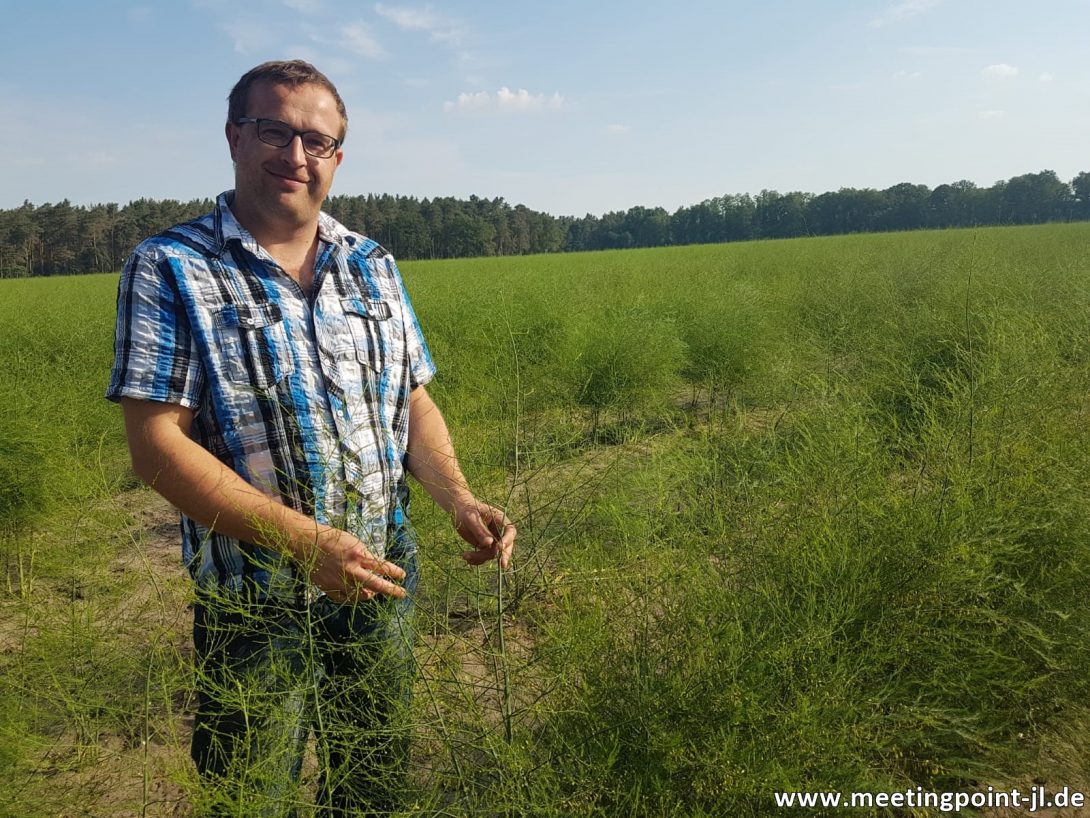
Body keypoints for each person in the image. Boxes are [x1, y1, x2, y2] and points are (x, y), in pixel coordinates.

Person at [106, 59, 516, 816]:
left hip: (379, 577)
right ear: (234, 136)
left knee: (376, 782)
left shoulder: (372, 264)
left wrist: (457, 498)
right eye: (275, 131)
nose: (296, 156)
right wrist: (303, 542)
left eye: (317, 141)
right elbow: (156, 447)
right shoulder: (170, 266)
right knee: (249, 795)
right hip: (254, 598)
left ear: (338, 157)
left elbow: (411, 401)